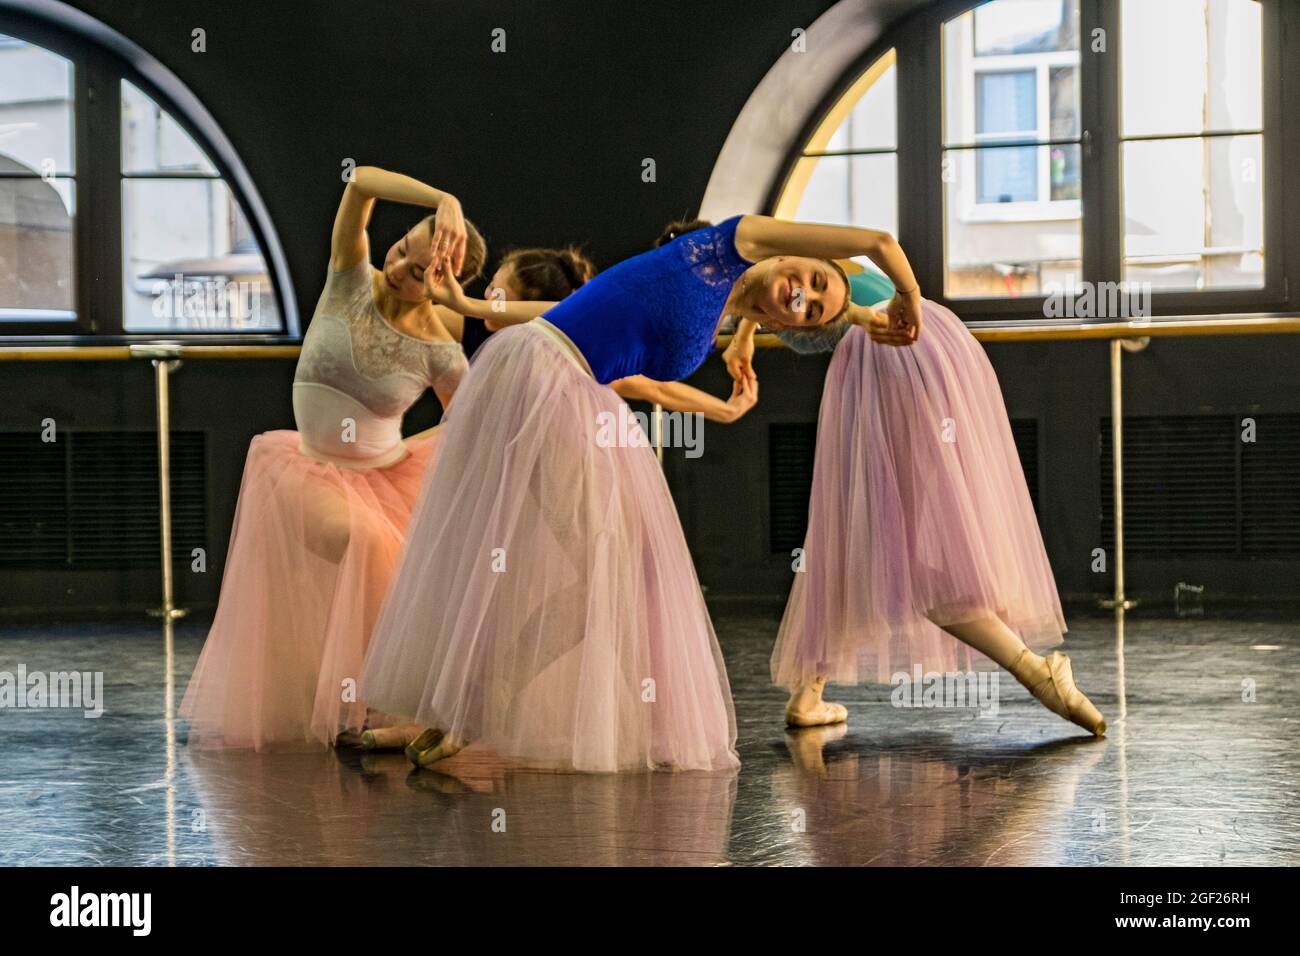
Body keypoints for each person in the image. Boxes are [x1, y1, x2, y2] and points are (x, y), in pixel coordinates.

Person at [359, 213, 898, 772]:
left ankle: (465, 704)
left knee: (604, 569)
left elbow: (600, 328)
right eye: (811, 279)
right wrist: (902, 295)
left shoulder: (722, 310)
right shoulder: (715, 251)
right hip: (553, 382)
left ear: (797, 328)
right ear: (787, 255)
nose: (803, 295)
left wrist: (747, 347)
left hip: (548, 377)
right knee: (611, 569)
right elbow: (876, 242)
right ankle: (472, 703)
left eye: (813, 308)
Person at [722, 249, 1107, 737]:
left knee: (890, 541)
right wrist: (744, 337)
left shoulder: (807, 269)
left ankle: (1034, 671)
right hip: (912, 358)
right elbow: (768, 295)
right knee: (857, 533)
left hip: (897, 363)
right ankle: (809, 690)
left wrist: (743, 333)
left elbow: (858, 251)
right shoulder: (781, 290)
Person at [180, 166, 485, 750]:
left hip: (382, 476)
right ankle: (366, 697)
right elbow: (361, 184)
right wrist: (443, 195)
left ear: (444, 286)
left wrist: (403, 452)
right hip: (302, 463)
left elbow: (471, 425)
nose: (398, 270)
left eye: (421, 273)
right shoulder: (348, 276)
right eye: (401, 252)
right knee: (364, 541)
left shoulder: (441, 353)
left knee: (384, 554)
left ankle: (383, 703)